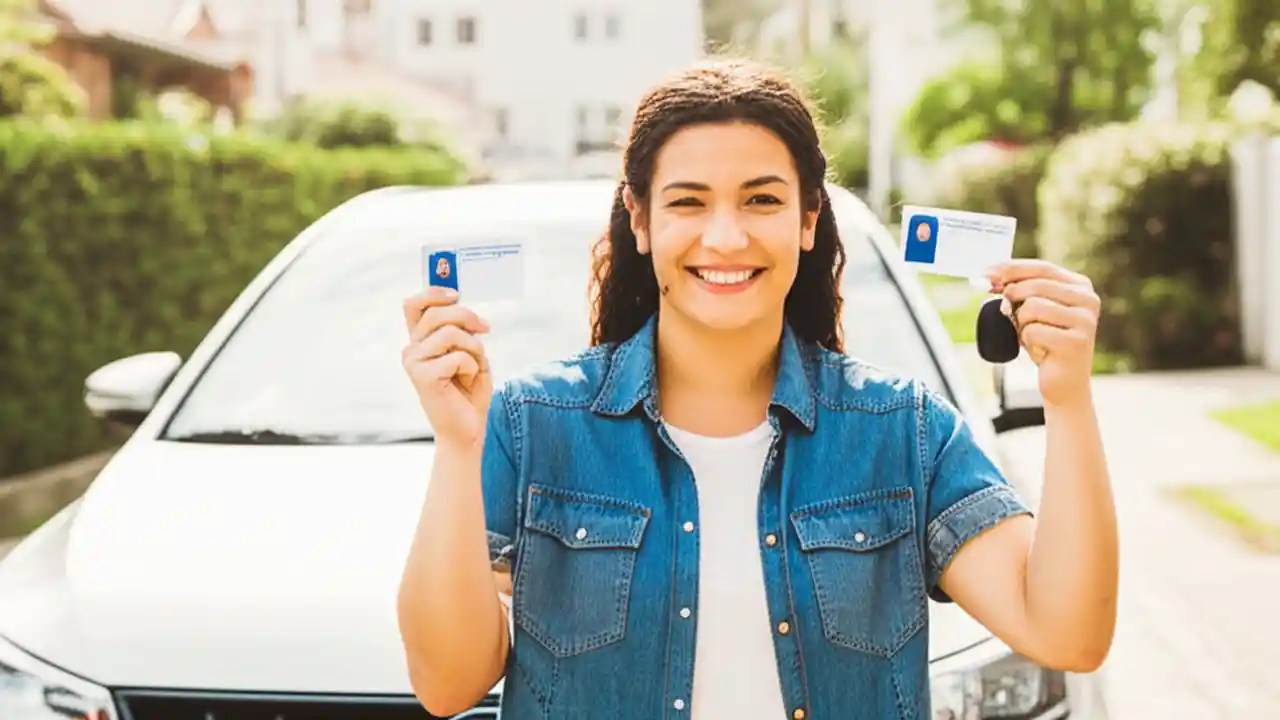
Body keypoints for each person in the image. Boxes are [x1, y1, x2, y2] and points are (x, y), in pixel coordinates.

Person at [396, 58, 1117, 720]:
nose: (726, 237)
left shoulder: (904, 431)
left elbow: (1067, 634)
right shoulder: (533, 425)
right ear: (640, 220)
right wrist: (458, 446)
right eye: (688, 203)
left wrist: (1069, 399)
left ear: (807, 219)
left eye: (760, 200)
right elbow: (448, 682)